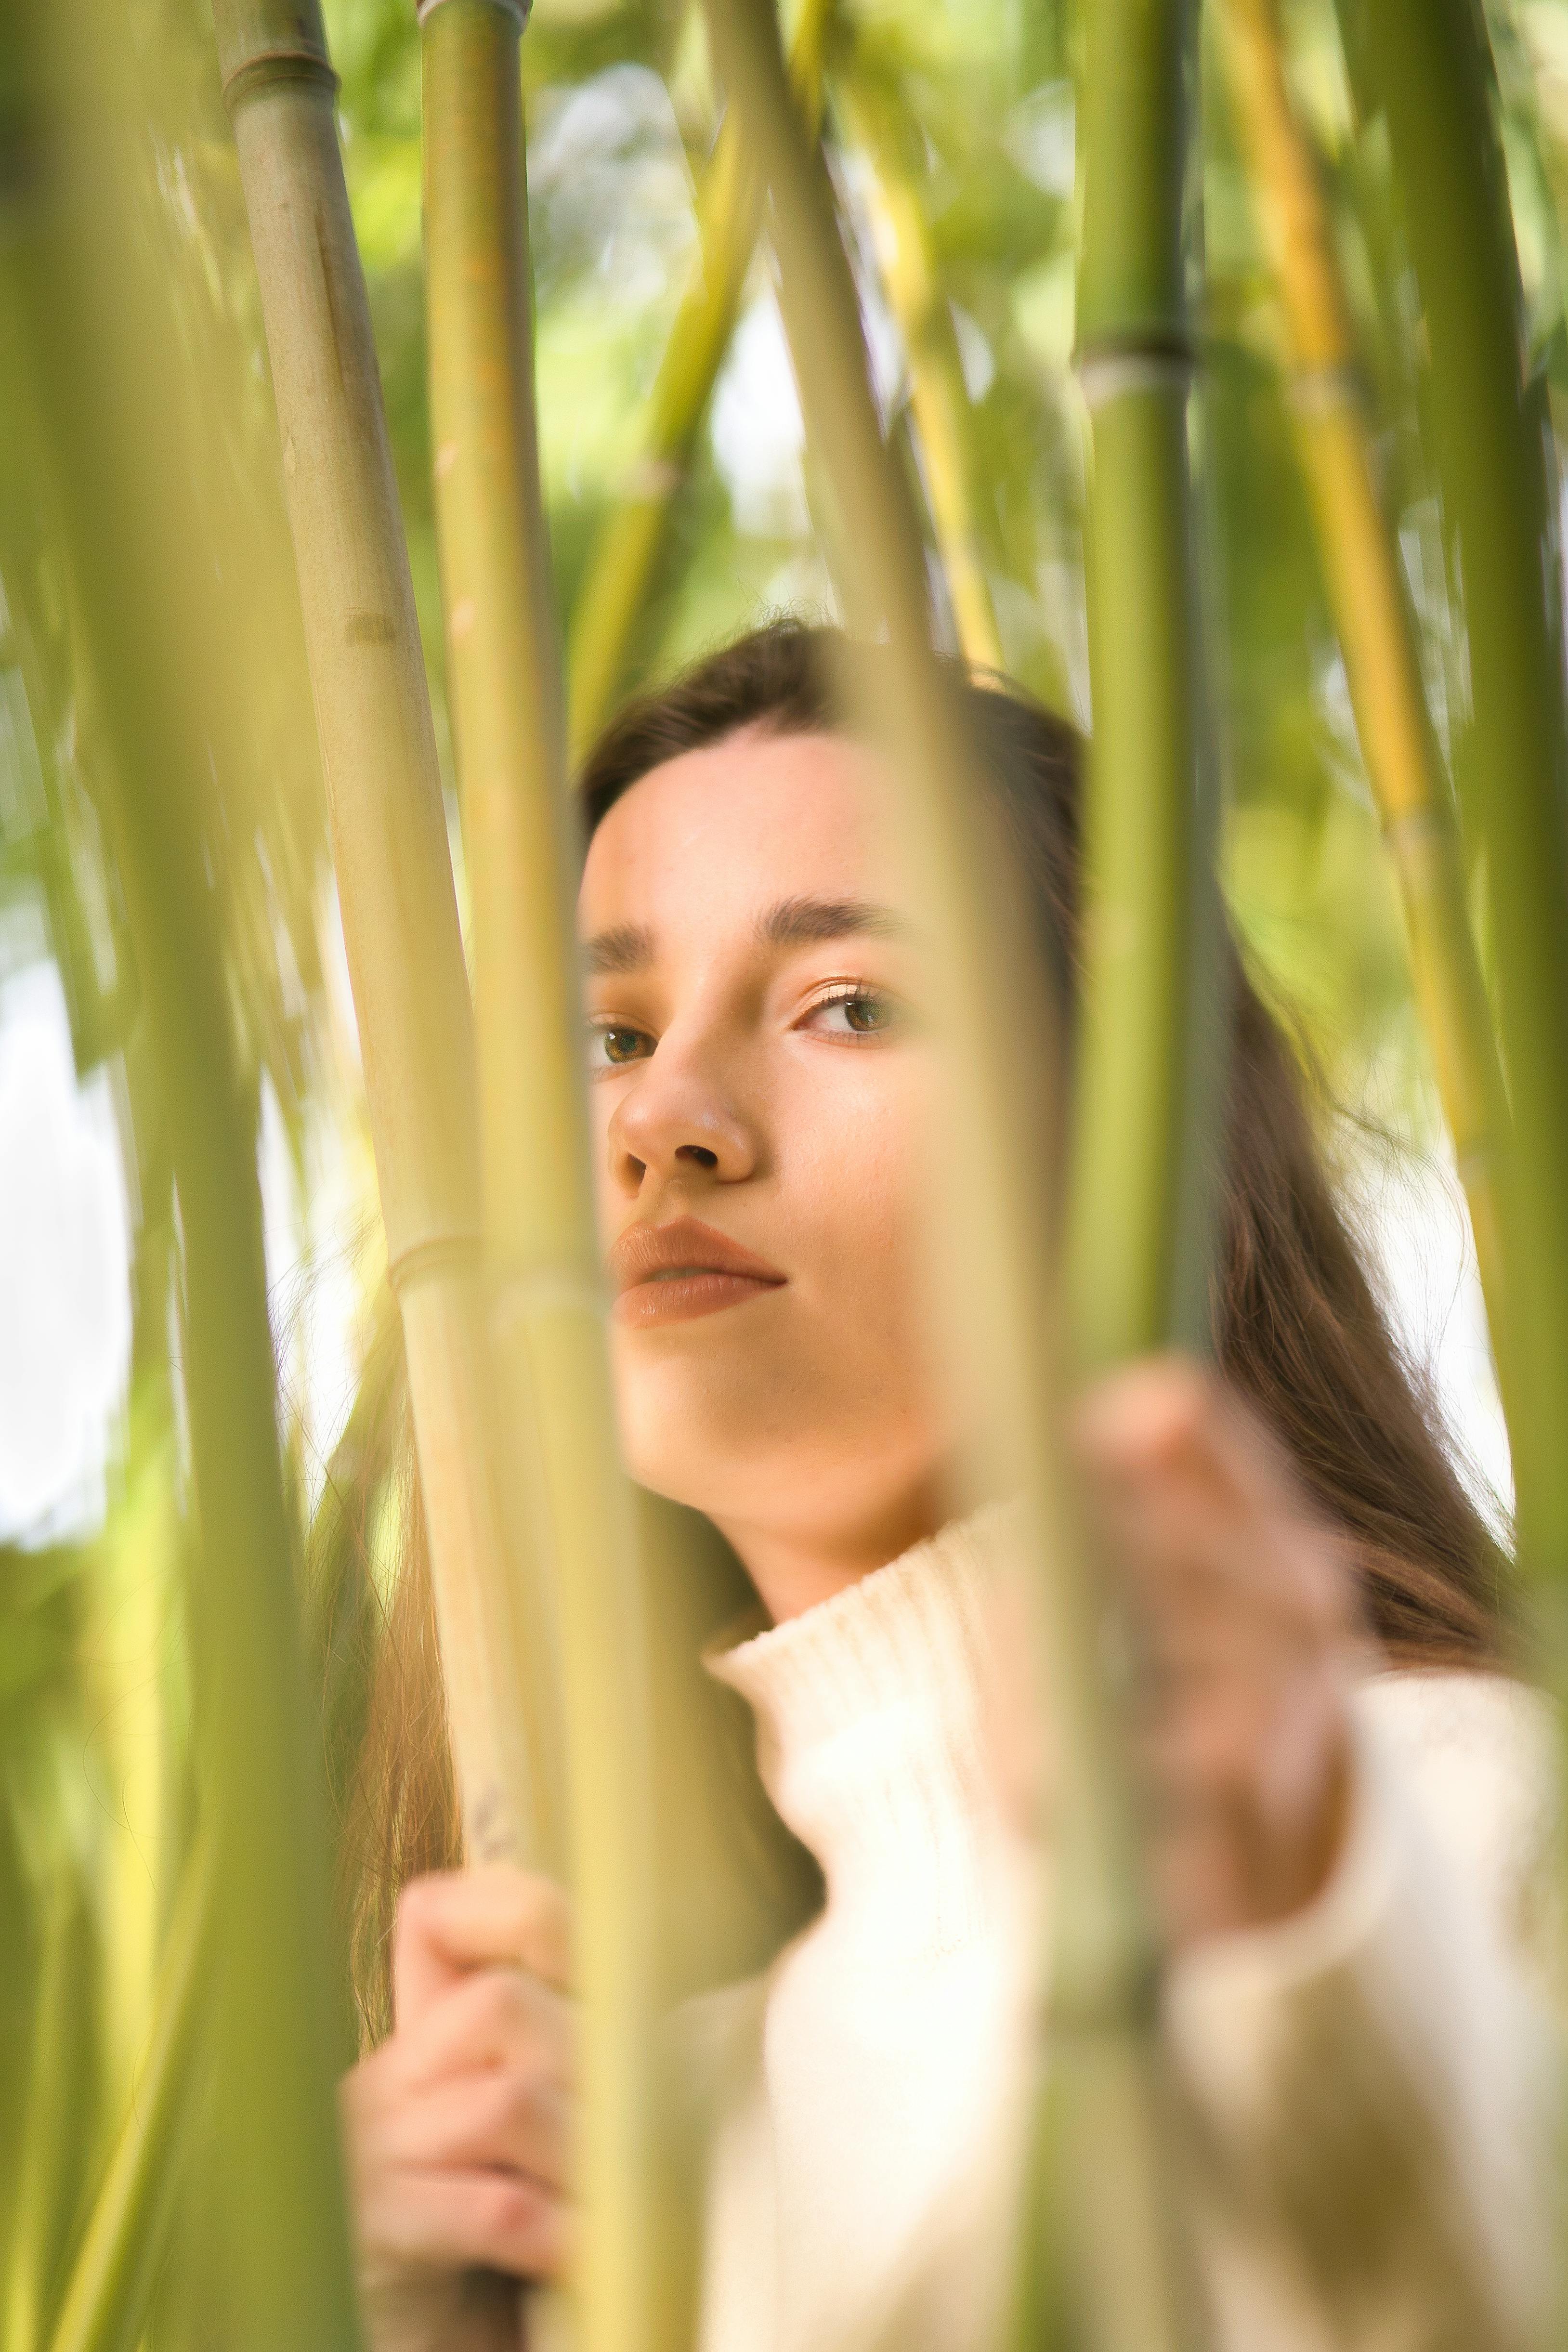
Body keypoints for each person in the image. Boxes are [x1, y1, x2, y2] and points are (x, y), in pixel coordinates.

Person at [339, 621, 1559, 2352]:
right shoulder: (629, 2142)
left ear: (1127, 1147)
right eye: (605, 1035)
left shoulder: (1455, 1817)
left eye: (850, 1004)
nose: (665, 1118)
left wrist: (1312, 1971)